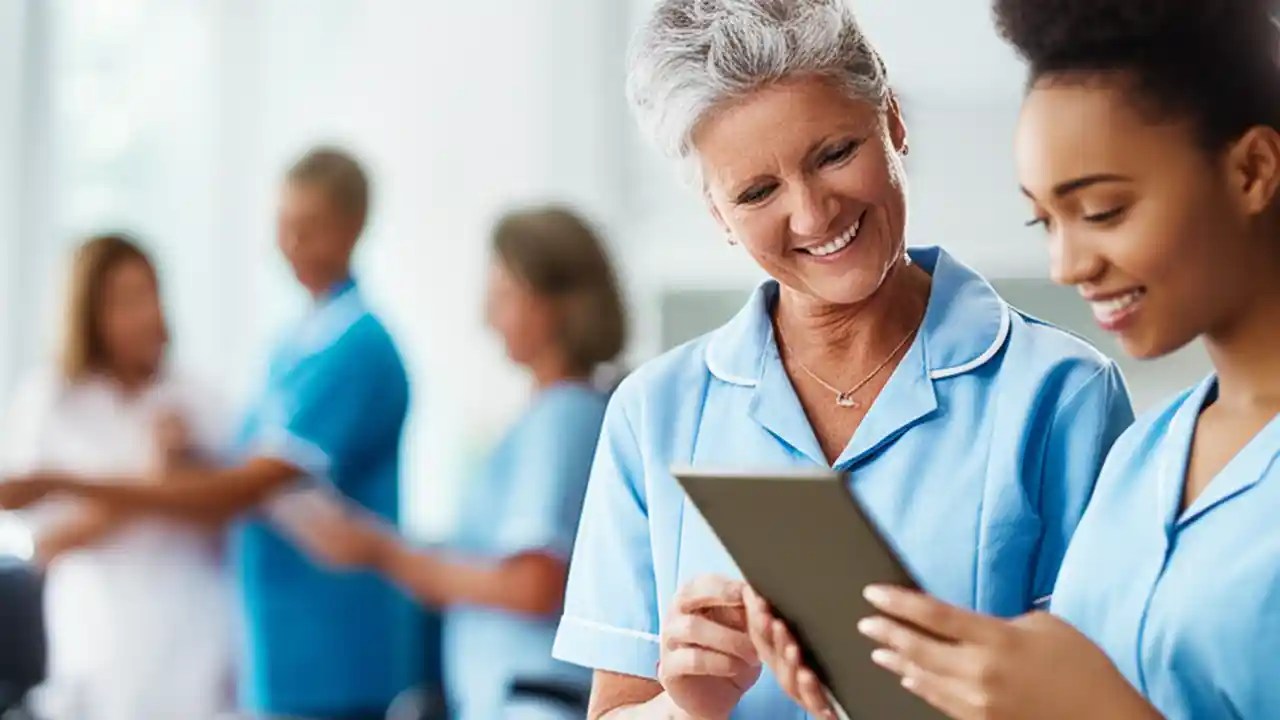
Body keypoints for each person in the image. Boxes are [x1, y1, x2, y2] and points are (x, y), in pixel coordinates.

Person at [550, 1, 1137, 718]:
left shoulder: (1060, 395)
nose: (813, 215)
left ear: (890, 117)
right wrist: (687, 707)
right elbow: (615, 708)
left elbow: (1108, 699)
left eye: (834, 154)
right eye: (757, 192)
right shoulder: (652, 414)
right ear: (717, 213)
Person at [830, 2, 1280, 720]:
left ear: (1252, 170)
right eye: (1045, 221)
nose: (1067, 266)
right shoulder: (1143, 460)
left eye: (1102, 211)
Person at [0, 148, 419, 719]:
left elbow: (241, 489)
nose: (290, 244)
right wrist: (179, 467)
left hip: (318, 646)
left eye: (309, 227)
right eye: (283, 225)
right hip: (183, 648)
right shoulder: (293, 344)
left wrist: (65, 481)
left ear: (352, 228)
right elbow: (231, 469)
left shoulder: (353, 348)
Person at [274, 206, 627, 720]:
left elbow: (535, 585)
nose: (487, 316)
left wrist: (381, 552)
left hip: (532, 699)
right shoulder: (545, 416)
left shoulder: (564, 416)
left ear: (555, 305)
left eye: (504, 294)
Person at [0, 234, 234, 720]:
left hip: (195, 638)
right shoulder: (50, 401)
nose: (143, 314)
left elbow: (230, 516)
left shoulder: (195, 399)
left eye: (149, 295)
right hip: (98, 639)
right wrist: (155, 481)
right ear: (89, 314)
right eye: (124, 301)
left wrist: (187, 471)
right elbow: (43, 543)